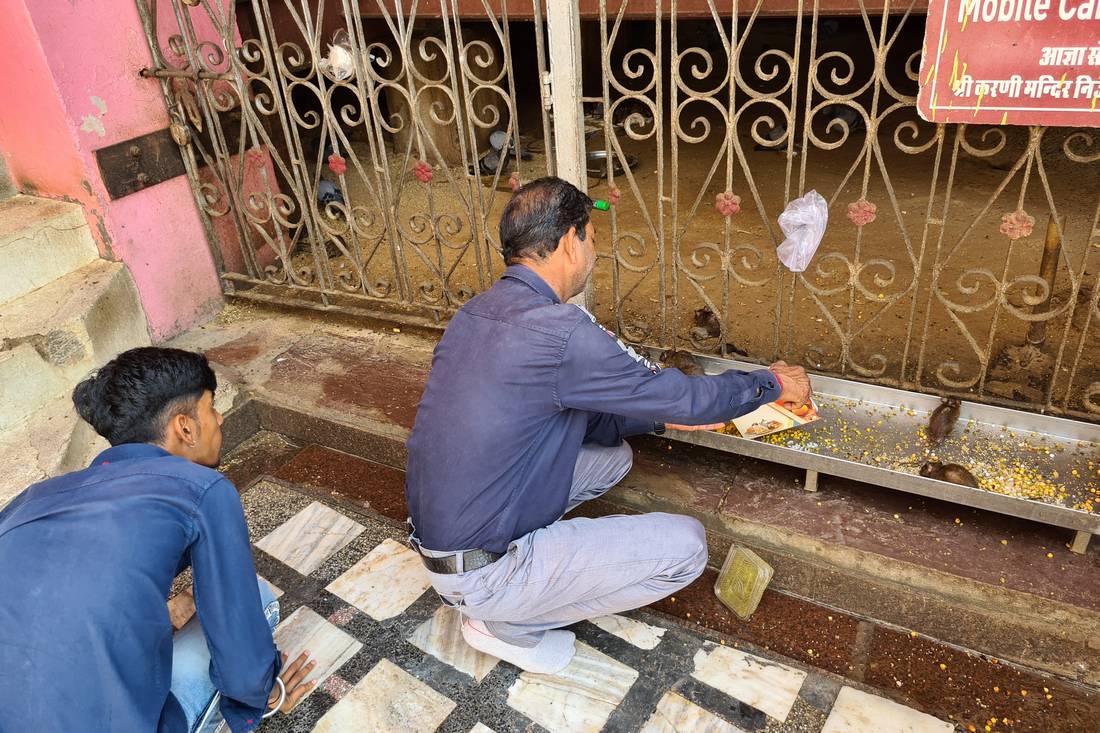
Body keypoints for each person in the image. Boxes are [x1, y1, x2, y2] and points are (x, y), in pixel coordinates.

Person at [405, 177, 812, 674]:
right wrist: (771, 383)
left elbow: (591, 412)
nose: (594, 254)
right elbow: (683, 396)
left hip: (442, 538)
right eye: (592, 240)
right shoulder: (562, 331)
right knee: (687, 549)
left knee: (612, 458)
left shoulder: (476, 312)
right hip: (480, 571)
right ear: (569, 241)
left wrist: (658, 421)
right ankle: (506, 623)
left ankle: (502, 592)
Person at [0, 347, 315, 733]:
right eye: (211, 408)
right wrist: (267, 693)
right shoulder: (201, 488)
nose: (219, 420)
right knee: (259, 599)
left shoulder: (30, 500)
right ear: (185, 427)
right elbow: (239, 648)